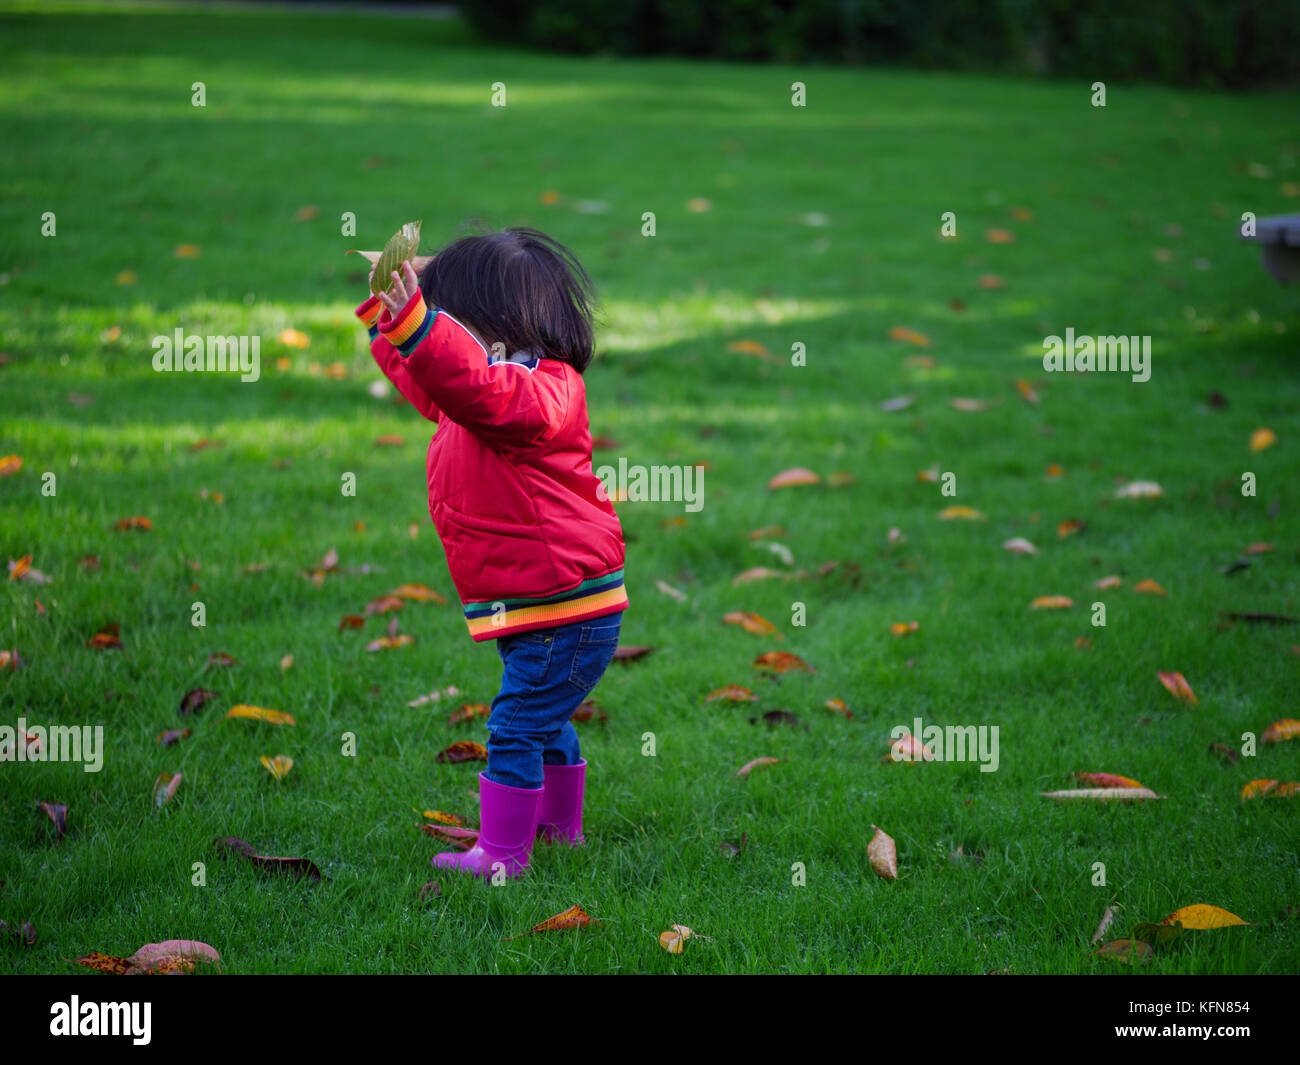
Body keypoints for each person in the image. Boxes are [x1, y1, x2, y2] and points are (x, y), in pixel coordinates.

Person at [357, 227, 628, 880]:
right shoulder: (482, 393)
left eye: (452, 315)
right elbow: (441, 382)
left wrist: (422, 326)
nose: (442, 324)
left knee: (514, 724)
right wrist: (392, 320)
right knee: (546, 721)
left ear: (495, 321)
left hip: (567, 605)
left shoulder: (540, 391)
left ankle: (503, 855)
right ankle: (562, 832)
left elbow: (469, 382)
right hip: (540, 601)